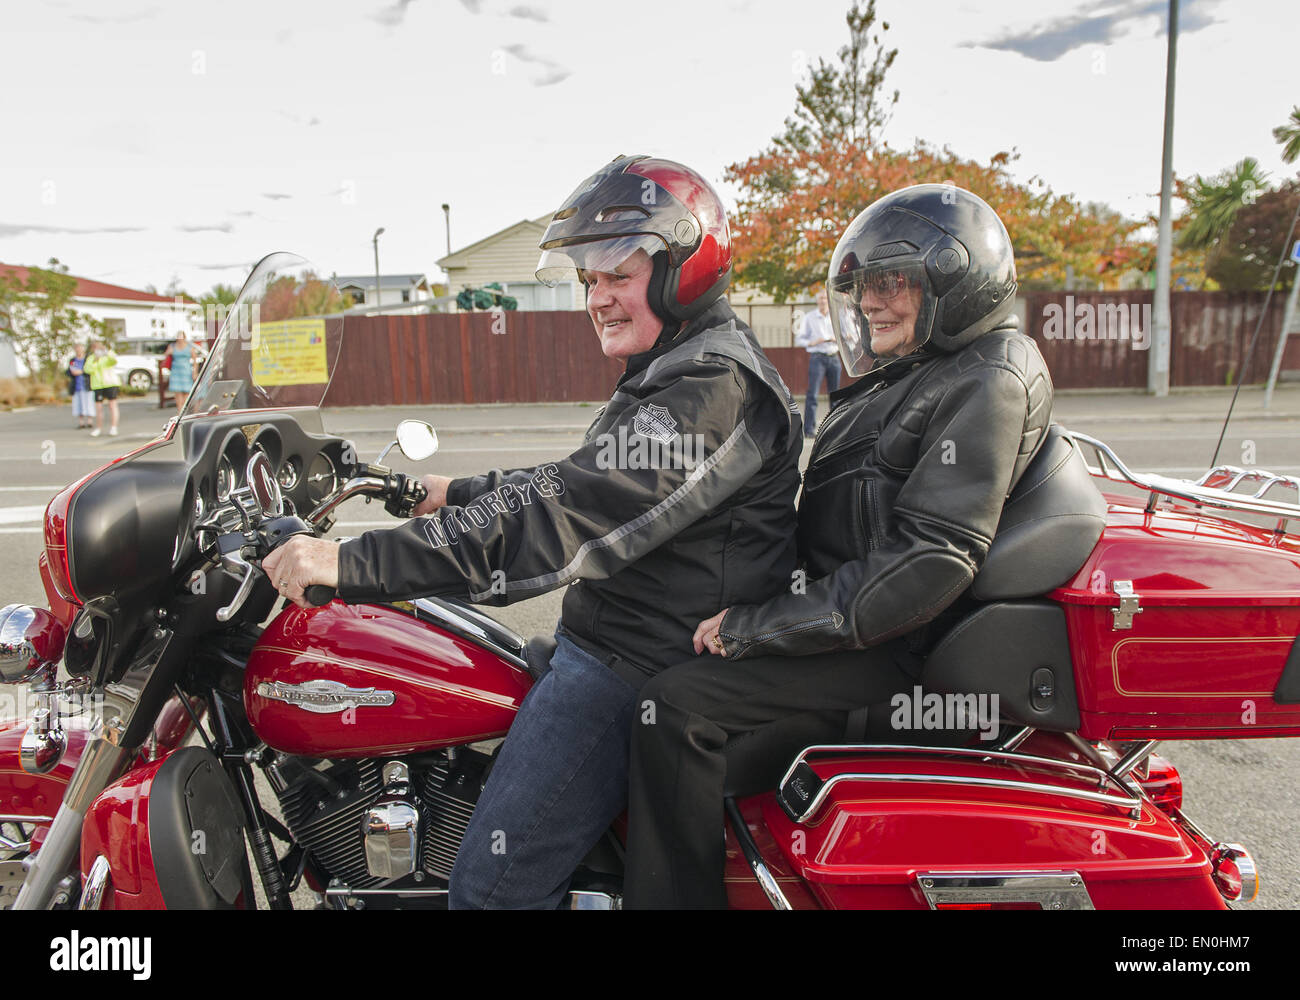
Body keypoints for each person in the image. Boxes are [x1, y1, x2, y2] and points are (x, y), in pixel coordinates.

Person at [263, 155, 804, 909]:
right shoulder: (678, 364)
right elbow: (578, 480)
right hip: (614, 634)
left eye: (617, 271)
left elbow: (568, 514)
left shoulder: (708, 387)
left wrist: (351, 563)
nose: (598, 297)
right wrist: (448, 492)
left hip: (632, 660)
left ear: (685, 264)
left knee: (489, 895)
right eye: (587, 278)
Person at [622, 184, 1055, 909]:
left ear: (954, 280)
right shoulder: (925, 368)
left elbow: (931, 560)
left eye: (892, 283)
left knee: (674, 708)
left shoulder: (990, 376)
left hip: (895, 647)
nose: (871, 303)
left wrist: (758, 628)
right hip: (855, 618)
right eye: (863, 287)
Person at [795, 287, 840, 437]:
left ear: (829, 300)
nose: (823, 301)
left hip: (833, 356)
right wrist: (814, 342)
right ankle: (809, 430)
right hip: (818, 358)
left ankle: (834, 429)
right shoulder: (809, 317)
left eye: (825, 298)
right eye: (820, 299)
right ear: (817, 301)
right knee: (813, 395)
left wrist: (837, 339)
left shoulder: (836, 316)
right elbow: (799, 339)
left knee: (835, 396)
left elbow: (847, 336)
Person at [84, 339, 120, 437]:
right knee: (99, 408)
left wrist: (107, 352)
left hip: (110, 384)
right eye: (95, 347)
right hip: (97, 386)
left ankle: (114, 427)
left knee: (112, 406)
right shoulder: (91, 358)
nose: (97, 349)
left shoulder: (107, 356)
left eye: (98, 347)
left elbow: (114, 360)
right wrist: (95, 360)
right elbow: (87, 369)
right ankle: (98, 428)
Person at [165, 333, 204, 413]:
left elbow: (195, 360)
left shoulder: (189, 347)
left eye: (181, 336)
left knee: (187, 392)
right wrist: (169, 352)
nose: (179, 338)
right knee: (178, 392)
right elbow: (166, 355)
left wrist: (195, 372)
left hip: (186, 371)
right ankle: (180, 411)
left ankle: (185, 411)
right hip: (176, 371)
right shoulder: (172, 346)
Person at [67, 343, 94, 429]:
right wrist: (79, 371)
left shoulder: (88, 359)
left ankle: (90, 421)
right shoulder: (72, 360)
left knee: (89, 403)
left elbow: (90, 370)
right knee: (78, 404)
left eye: (80, 348)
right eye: (77, 348)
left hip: (87, 385)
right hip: (76, 386)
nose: (78, 350)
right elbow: (72, 371)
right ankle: (81, 422)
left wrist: (81, 371)